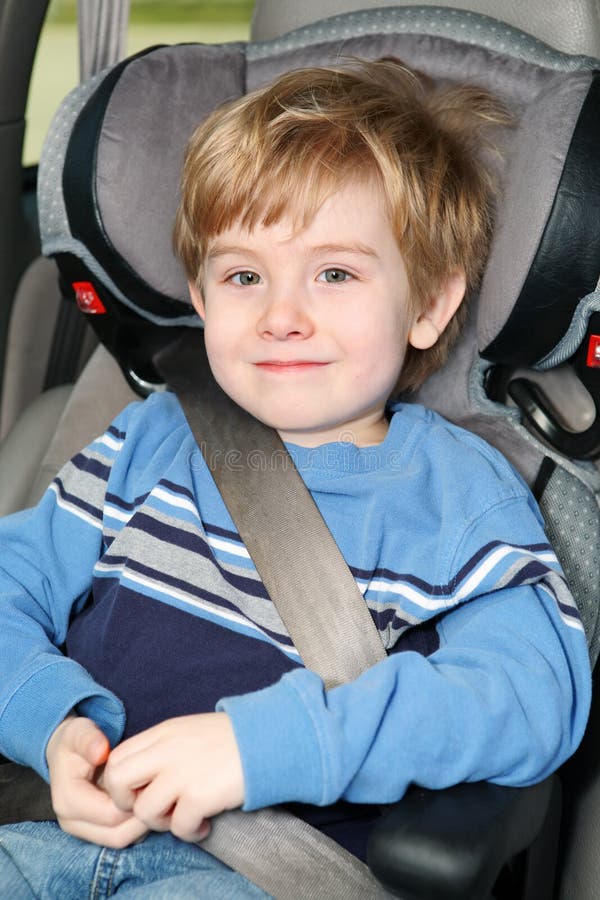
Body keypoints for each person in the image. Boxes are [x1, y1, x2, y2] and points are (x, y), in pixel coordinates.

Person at [0, 58, 591, 897]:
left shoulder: (456, 496)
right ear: (202, 298)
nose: (281, 315)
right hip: (49, 830)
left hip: (259, 877)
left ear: (429, 306)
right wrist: (49, 719)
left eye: (335, 273)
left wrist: (266, 749)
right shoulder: (148, 436)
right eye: (244, 276)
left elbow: (528, 696)